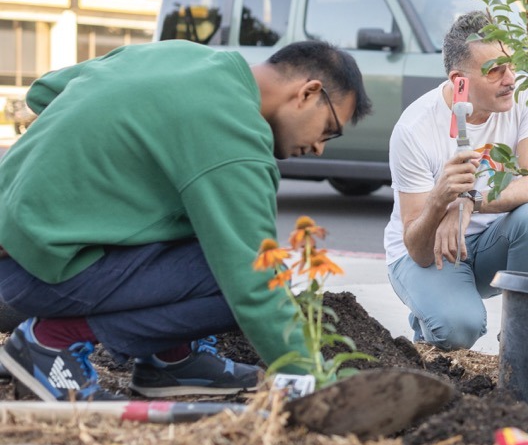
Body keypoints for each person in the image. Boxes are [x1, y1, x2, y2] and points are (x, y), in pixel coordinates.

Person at [0, 39, 371, 401]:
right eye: (329, 129)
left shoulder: (179, 55)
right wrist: (312, 381)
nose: (320, 147)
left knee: (201, 222)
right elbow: (254, 282)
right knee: (233, 279)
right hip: (37, 271)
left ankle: (170, 361)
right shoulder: (234, 133)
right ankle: (51, 342)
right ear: (308, 93)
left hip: (20, 245)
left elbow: (45, 91)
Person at [384, 11, 528, 350]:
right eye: (495, 70)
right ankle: (435, 312)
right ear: (459, 81)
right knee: (458, 328)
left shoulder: (526, 97)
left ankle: (524, 344)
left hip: (491, 243)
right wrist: (439, 202)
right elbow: (417, 249)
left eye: (512, 64)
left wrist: (469, 201)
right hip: (430, 252)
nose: (510, 78)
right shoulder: (414, 129)